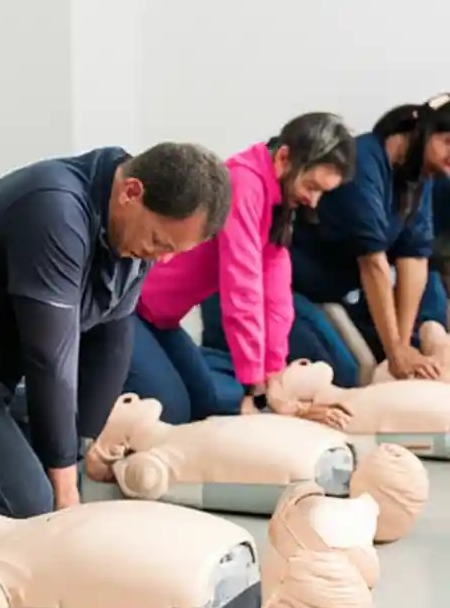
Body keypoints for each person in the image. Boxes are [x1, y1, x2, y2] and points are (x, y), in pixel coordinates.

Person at [0, 143, 233, 518]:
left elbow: (112, 342)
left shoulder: (129, 234)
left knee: (50, 446)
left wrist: (81, 450)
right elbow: (49, 359)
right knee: (29, 505)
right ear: (131, 192)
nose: (163, 258)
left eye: (174, 250)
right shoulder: (55, 208)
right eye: (159, 242)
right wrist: (64, 487)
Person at [127, 113, 356, 427]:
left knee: (205, 401)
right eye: (312, 186)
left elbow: (276, 296)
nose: (313, 201)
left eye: (322, 193)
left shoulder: (279, 204)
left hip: (161, 320)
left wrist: (274, 373)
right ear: (285, 157)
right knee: (175, 410)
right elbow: (242, 288)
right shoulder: (244, 183)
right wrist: (255, 387)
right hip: (130, 309)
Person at [285, 94, 450, 383]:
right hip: (302, 290)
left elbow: (414, 256)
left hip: (349, 294)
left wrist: (404, 344)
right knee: (351, 371)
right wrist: (396, 351)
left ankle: (424, 336)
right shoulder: (363, 166)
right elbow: (373, 263)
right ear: (421, 132)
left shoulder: (417, 178)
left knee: (408, 349)